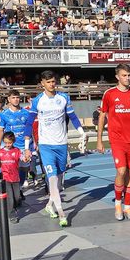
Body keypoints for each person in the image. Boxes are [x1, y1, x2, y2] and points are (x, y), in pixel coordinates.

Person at [30, 70, 86, 227]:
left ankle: (49, 205)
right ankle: (62, 213)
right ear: (42, 83)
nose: (51, 84)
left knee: (59, 182)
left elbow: (73, 117)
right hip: (46, 145)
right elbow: (29, 122)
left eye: (53, 81)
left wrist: (82, 132)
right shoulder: (37, 101)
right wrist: (28, 144)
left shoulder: (64, 98)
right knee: (52, 179)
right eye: (48, 82)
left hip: (61, 144)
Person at [96, 63, 130, 220]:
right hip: (117, 139)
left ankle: (127, 207)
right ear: (117, 77)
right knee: (121, 171)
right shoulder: (109, 94)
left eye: (128, 75)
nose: (127, 78)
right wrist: (99, 140)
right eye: (124, 75)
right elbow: (102, 116)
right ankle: (118, 204)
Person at [0, 90, 36, 186]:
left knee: (25, 167)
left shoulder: (26, 112)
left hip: (24, 145)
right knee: (12, 168)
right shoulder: (4, 114)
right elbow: (1, 131)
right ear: (9, 99)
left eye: (17, 97)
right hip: (11, 146)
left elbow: (30, 128)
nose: (16, 99)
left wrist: (34, 142)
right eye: (13, 97)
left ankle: (19, 185)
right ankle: (15, 188)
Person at [0, 131, 27, 223]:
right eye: (6, 143)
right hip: (6, 178)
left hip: (15, 178)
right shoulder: (1, 152)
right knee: (10, 198)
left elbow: (23, 158)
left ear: (13, 141)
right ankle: (11, 214)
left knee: (17, 197)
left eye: (9, 143)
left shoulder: (17, 151)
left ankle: (14, 207)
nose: (8, 144)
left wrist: (26, 158)